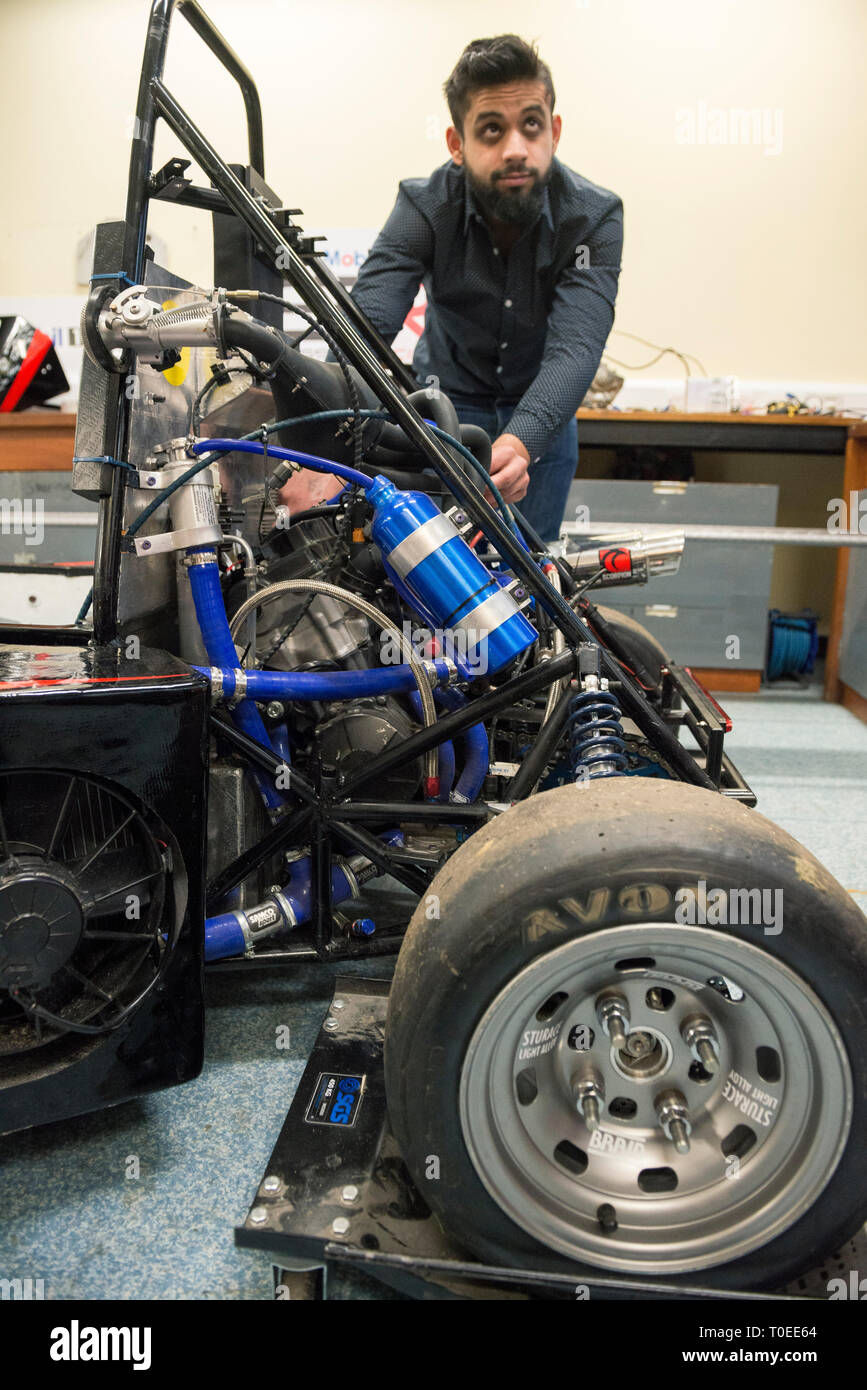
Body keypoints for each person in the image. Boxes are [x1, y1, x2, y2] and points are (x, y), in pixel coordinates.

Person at [348, 33, 623, 541]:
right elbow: (362, 328)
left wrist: (522, 443)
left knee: (530, 579)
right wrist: (318, 446)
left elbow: (577, 347)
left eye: (531, 125)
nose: (516, 149)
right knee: (426, 574)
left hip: (541, 419)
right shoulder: (424, 207)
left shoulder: (593, 217)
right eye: (492, 130)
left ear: (554, 131)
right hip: (444, 416)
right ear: (457, 144)